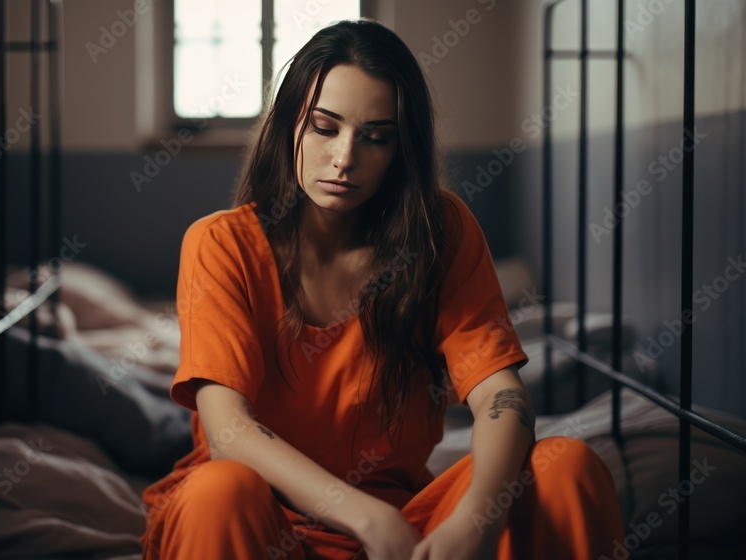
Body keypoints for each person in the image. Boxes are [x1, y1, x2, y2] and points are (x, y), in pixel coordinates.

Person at [140, 18, 624, 560]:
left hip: (400, 524)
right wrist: (366, 517)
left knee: (567, 465)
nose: (345, 158)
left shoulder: (441, 233)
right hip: (259, 522)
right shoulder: (220, 243)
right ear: (286, 127)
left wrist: (475, 519)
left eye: (375, 137)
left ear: (400, 150)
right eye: (324, 127)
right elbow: (228, 430)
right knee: (219, 490)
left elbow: (500, 395)